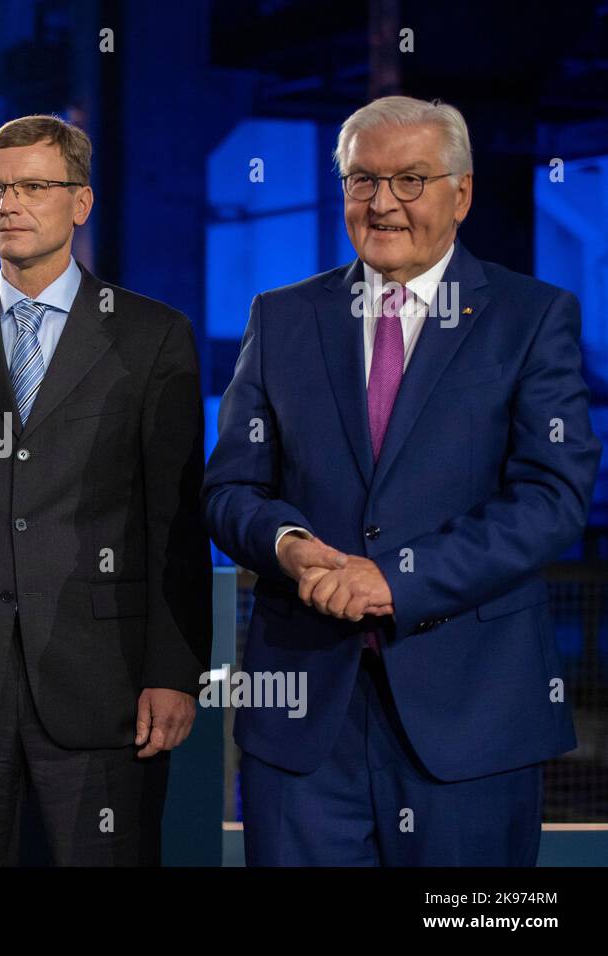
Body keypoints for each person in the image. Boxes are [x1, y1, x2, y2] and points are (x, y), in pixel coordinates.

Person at [203, 95, 600, 866]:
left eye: (410, 180)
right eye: (362, 180)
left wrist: (394, 579)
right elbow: (230, 490)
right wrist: (287, 545)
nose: (382, 203)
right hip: (305, 722)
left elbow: (553, 498)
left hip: (473, 721)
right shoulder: (282, 318)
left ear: (463, 192)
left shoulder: (531, 317)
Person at [0, 114, 212, 865]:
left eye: (33, 186)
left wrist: (173, 671)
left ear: (81, 201)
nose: (8, 203)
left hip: (105, 682)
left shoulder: (152, 335)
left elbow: (175, 518)